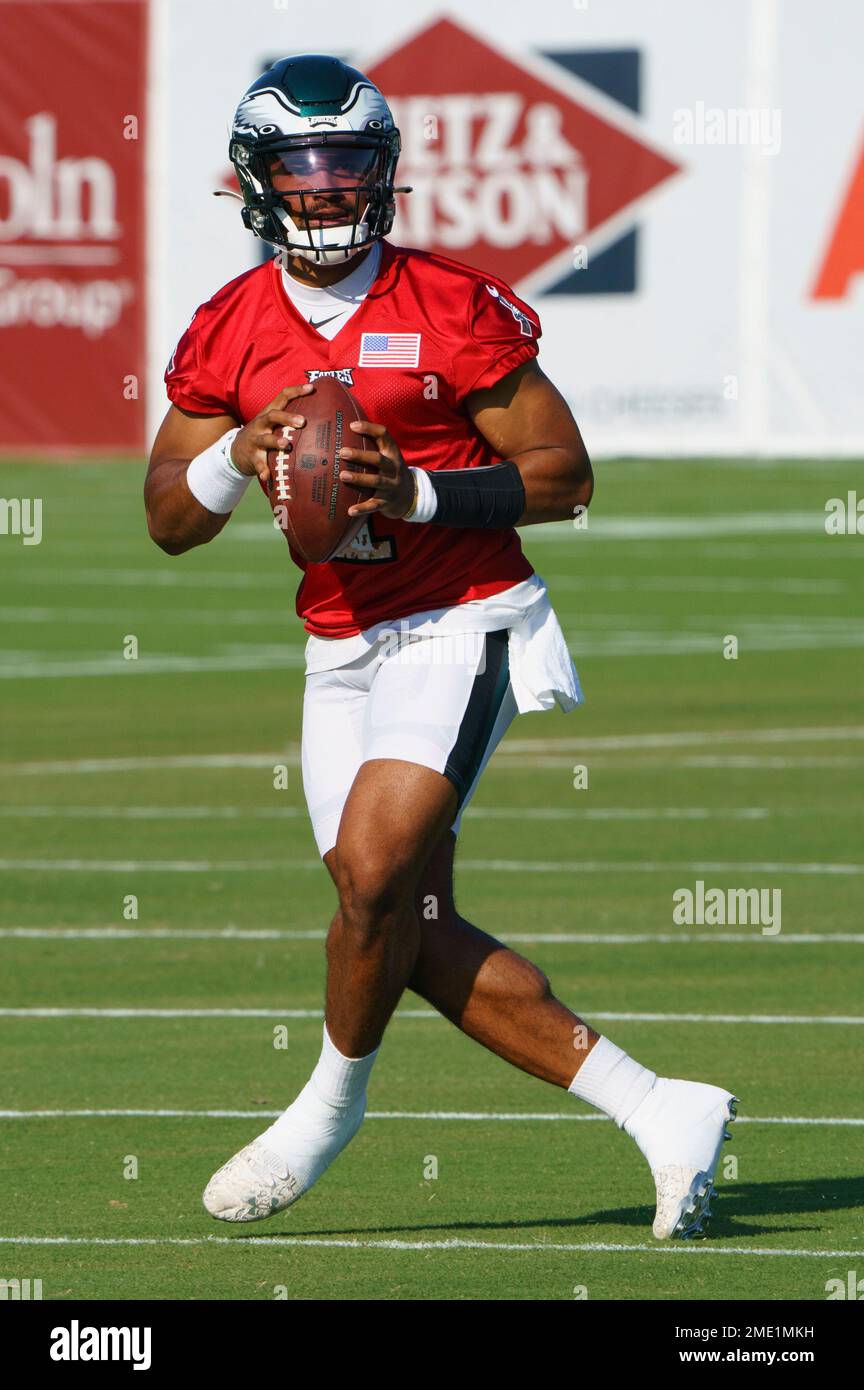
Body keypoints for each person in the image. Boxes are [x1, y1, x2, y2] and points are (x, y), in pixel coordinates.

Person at [144, 54, 736, 1240]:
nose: (325, 190)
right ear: (256, 185)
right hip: (339, 645)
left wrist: (416, 495)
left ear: (386, 172)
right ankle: (663, 1106)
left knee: (370, 878)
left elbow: (565, 478)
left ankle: (326, 1107)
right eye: (299, 171)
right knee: (402, 932)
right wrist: (235, 453)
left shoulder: (450, 306)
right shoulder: (230, 325)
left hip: (467, 620)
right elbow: (169, 518)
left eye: (347, 165)